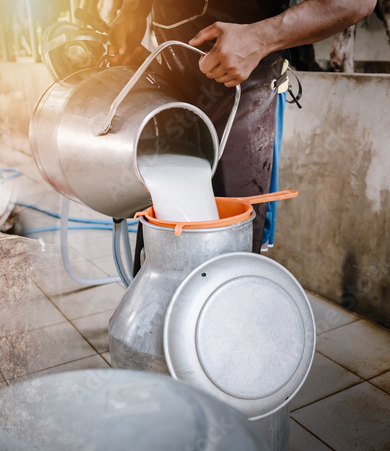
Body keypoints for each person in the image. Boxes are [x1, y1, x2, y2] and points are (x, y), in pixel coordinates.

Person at [108, 0, 375, 259]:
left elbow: (355, 2)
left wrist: (260, 38)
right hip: (174, 86)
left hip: (244, 90)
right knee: (163, 236)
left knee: (231, 242)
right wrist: (133, 9)